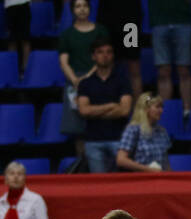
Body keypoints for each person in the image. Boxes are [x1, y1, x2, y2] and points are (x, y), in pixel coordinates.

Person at [77, 38, 135, 174]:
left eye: (109, 52)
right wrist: (111, 106)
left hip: (120, 140)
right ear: (93, 56)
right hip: (93, 141)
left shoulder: (123, 81)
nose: (105, 55)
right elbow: (84, 111)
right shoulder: (85, 83)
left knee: (123, 184)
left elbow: (125, 111)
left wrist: (95, 110)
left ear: (113, 55)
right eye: (100, 52)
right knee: (100, 186)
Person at [57, 0, 107, 142]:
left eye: (85, 6)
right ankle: (81, 162)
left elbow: (104, 56)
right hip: (75, 82)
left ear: (90, 9)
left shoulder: (100, 31)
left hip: (97, 78)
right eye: (78, 6)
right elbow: (64, 62)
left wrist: (88, 77)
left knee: (98, 124)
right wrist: (75, 80)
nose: (82, 9)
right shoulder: (67, 35)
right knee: (78, 129)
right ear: (73, 10)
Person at [152, 0, 191, 121]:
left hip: (183, 21)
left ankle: (187, 111)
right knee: (163, 71)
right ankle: (163, 112)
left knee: (184, 70)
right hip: (159, 21)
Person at [116, 94, 174, 174]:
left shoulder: (162, 131)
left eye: (162, 107)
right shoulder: (133, 130)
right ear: (146, 109)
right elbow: (121, 160)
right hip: (139, 180)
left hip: (159, 180)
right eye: (157, 107)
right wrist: (148, 170)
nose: (161, 110)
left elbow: (165, 162)